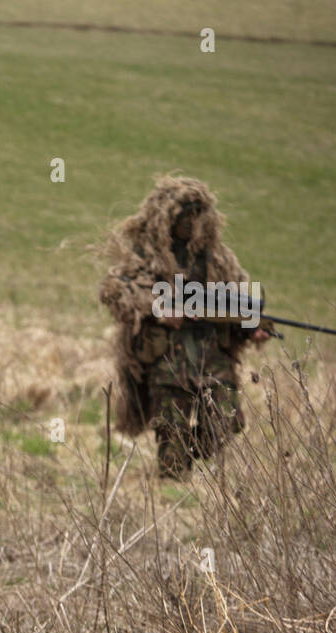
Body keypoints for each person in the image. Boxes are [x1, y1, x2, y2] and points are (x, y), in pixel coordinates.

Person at [100, 176, 273, 478]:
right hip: (169, 362)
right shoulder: (148, 256)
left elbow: (244, 300)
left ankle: (184, 462)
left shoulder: (216, 259)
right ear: (168, 215)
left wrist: (254, 327)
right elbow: (116, 291)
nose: (192, 220)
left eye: (198, 212)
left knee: (227, 423)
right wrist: (158, 308)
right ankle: (171, 496)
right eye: (186, 213)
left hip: (213, 360)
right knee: (173, 436)